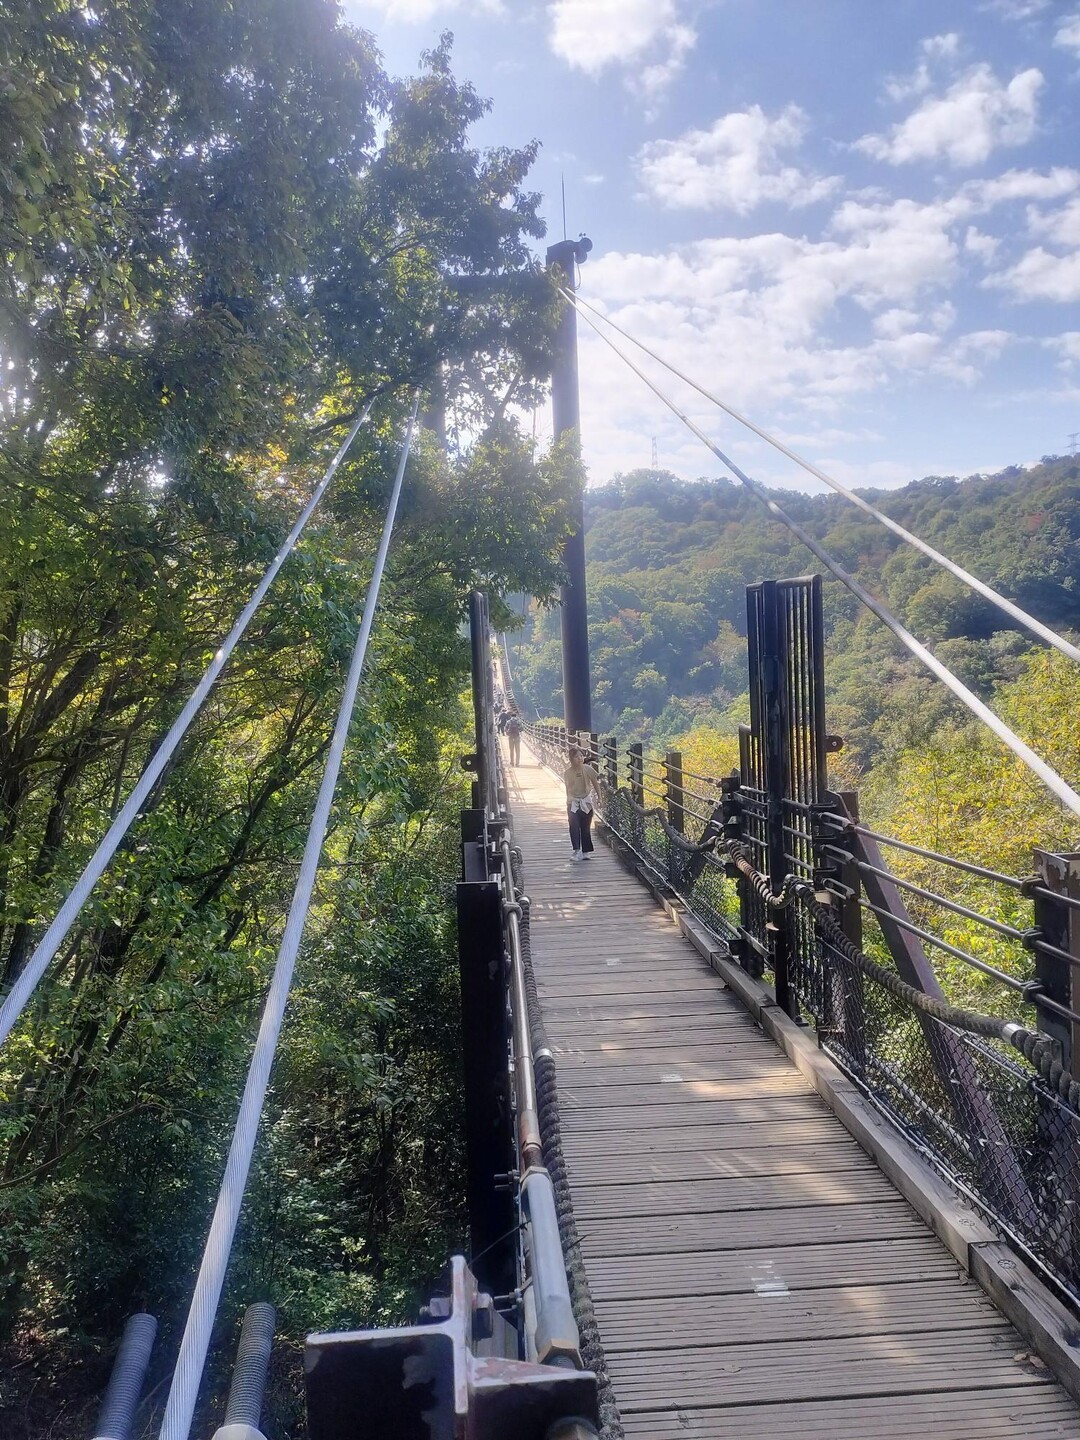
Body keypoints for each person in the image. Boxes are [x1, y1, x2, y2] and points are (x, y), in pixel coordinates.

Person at [563, 744, 601, 860]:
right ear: (571, 759)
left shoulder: (588, 769)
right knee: (573, 825)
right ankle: (576, 850)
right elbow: (568, 788)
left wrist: (600, 798)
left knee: (585, 827)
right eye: (576, 757)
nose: (579, 758)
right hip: (573, 801)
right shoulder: (567, 773)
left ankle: (586, 851)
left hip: (586, 800)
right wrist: (568, 801)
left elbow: (595, 784)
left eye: (581, 756)